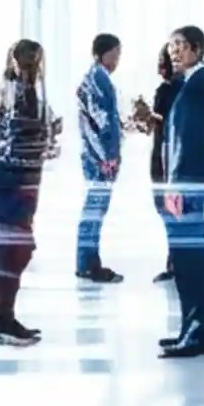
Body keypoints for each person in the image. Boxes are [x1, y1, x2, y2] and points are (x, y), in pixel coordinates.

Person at [0, 40, 61, 346]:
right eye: (28, 61)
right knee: (14, 248)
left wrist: (48, 133)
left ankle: (6, 319)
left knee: (17, 248)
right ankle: (1, 323)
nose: (32, 67)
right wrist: (47, 134)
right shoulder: (16, 92)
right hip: (11, 179)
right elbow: (20, 132)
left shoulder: (22, 92)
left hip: (21, 178)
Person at [159, 25, 204, 359]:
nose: (173, 52)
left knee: (191, 260)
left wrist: (177, 187)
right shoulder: (192, 83)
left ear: (197, 48)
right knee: (185, 260)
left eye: (180, 45)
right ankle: (190, 330)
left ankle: (196, 335)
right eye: (171, 46)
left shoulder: (198, 85)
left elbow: (190, 141)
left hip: (189, 186)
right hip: (187, 184)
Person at [75, 33, 125, 284]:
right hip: (99, 157)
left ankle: (88, 261)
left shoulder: (96, 79)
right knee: (94, 209)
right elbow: (103, 122)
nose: (117, 59)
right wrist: (109, 156)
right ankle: (87, 264)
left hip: (96, 155)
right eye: (115, 53)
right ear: (103, 53)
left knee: (95, 209)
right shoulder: (98, 80)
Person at [132, 44, 181, 284]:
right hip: (162, 155)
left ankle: (176, 263)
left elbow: (168, 121)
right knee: (169, 210)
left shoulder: (172, 90)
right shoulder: (172, 89)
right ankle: (174, 261)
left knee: (171, 210)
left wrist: (148, 116)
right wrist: (144, 118)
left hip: (167, 158)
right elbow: (153, 126)